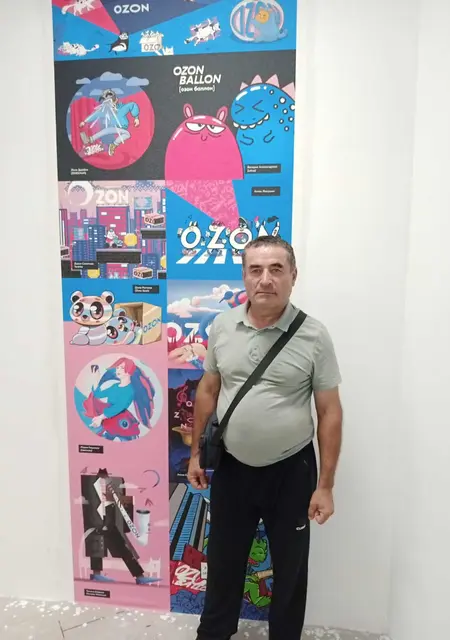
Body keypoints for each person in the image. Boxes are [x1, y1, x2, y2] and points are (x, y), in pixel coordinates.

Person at [188, 236, 343, 640]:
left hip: (292, 470)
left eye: (276, 269)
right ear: (244, 277)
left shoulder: (314, 335)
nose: (266, 279)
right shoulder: (223, 326)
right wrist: (195, 455)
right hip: (233, 467)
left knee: (290, 570)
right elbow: (207, 390)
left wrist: (325, 485)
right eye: (255, 270)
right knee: (223, 562)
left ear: (293, 275)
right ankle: (214, 634)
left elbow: (329, 411)